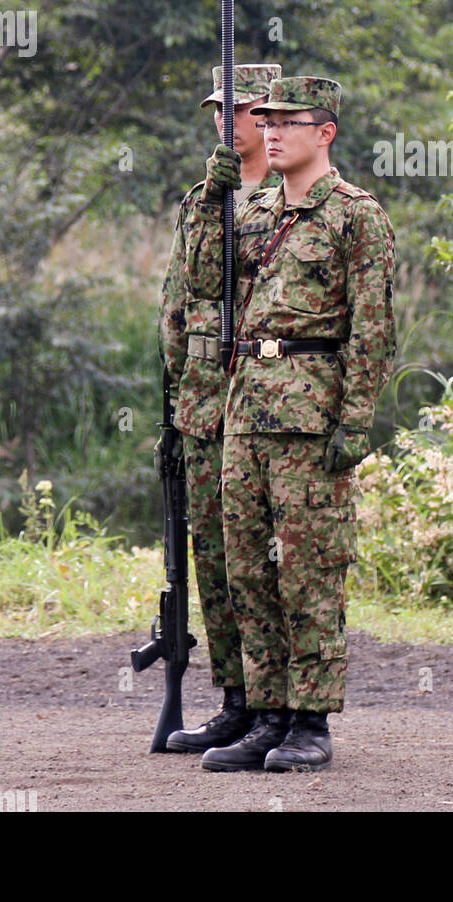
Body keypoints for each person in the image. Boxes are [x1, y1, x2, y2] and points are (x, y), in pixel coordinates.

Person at [199, 76, 396, 774]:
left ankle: (310, 721)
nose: (272, 130)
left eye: (289, 121)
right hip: (246, 407)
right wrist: (211, 194)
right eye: (267, 120)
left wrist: (355, 417)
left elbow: (373, 327)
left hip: (308, 413)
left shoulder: (354, 215)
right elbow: (201, 280)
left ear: (326, 132)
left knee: (305, 573)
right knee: (248, 570)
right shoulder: (250, 211)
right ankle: (268, 712)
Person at [157, 62, 282, 753]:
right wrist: (176, 400)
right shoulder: (203, 198)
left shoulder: (293, 202)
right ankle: (234, 698)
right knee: (214, 558)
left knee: (262, 561)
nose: (226, 123)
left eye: (241, 110)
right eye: (217, 111)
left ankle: (280, 705)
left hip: (262, 398)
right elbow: (182, 295)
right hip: (203, 404)